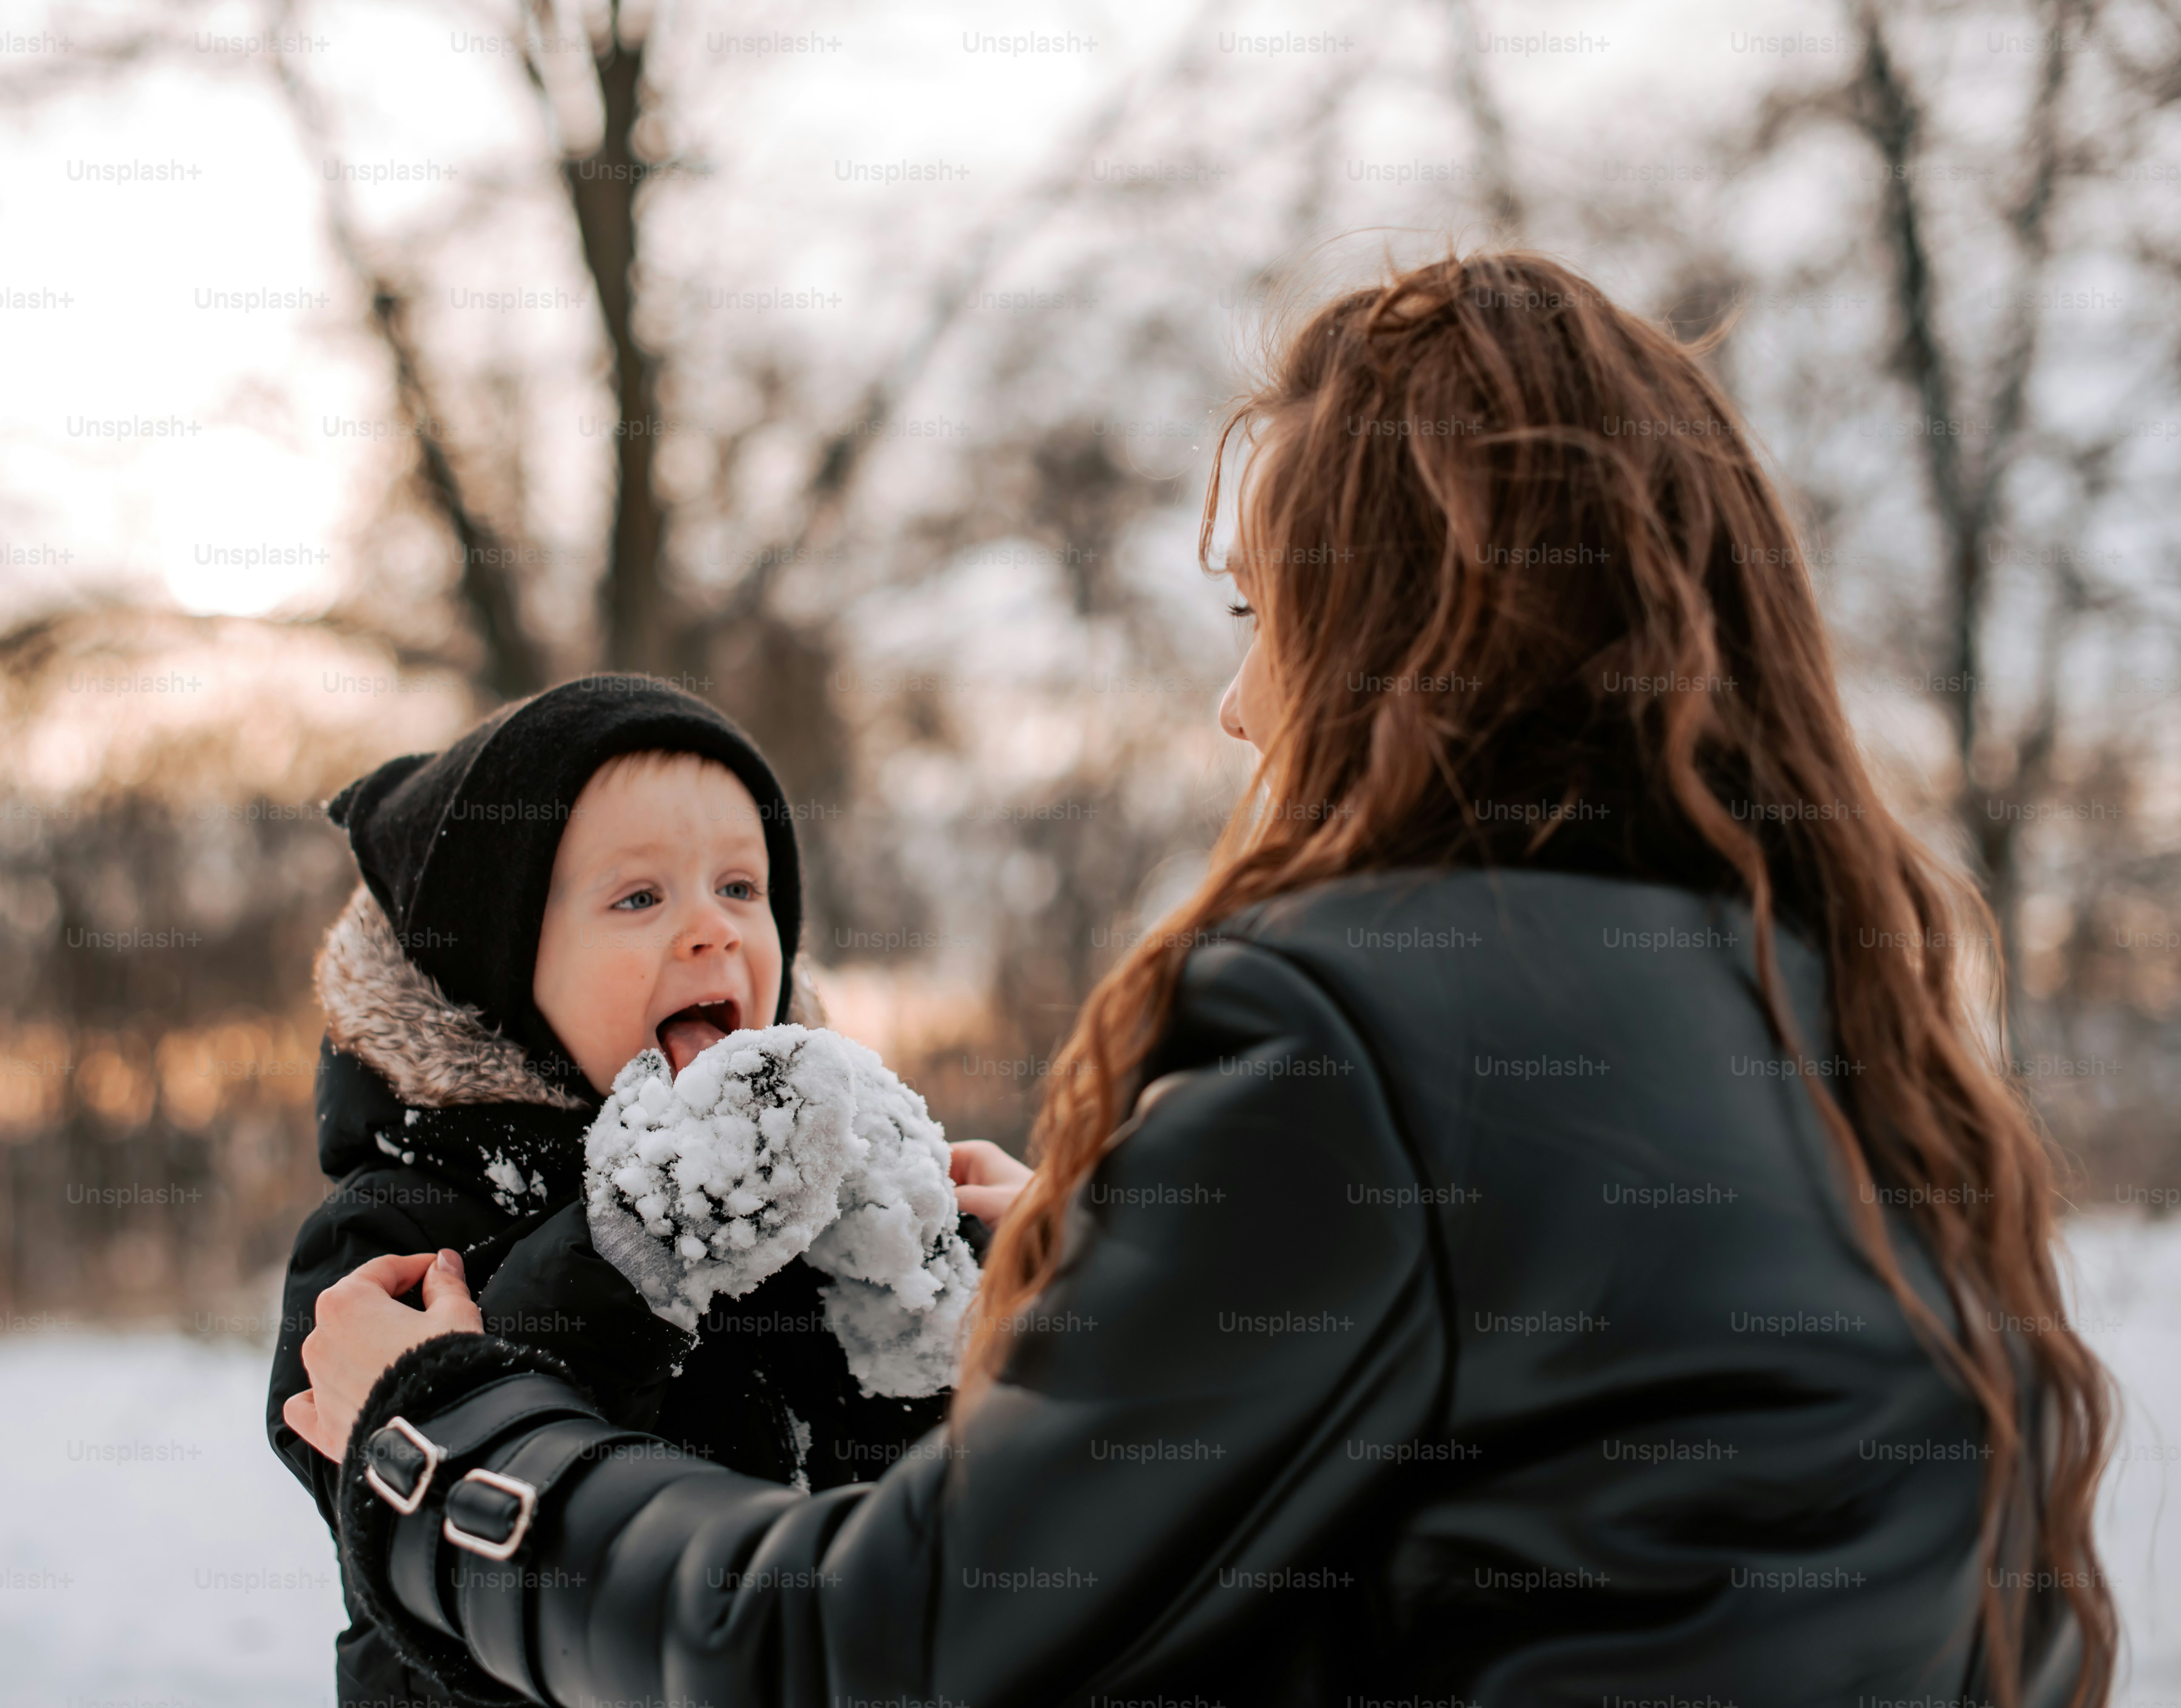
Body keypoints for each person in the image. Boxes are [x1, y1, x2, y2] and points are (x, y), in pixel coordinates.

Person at [283, 252, 2118, 1707]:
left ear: (1413, 634)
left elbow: (877, 1649)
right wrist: (1102, 1290)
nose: (1236, 703)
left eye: (1262, 618)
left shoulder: (1373, 1032)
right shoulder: (1832, 1034)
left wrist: (447, 1439)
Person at [265, 675, 1000, 1707]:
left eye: (741, 888)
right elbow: (415, 1506)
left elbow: (898, 1526)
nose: (713, 930)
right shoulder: (397, 1223)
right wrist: (633, 1245)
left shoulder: (803, 1183)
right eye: (639, 897)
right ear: (504, 963)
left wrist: (928, 1310)